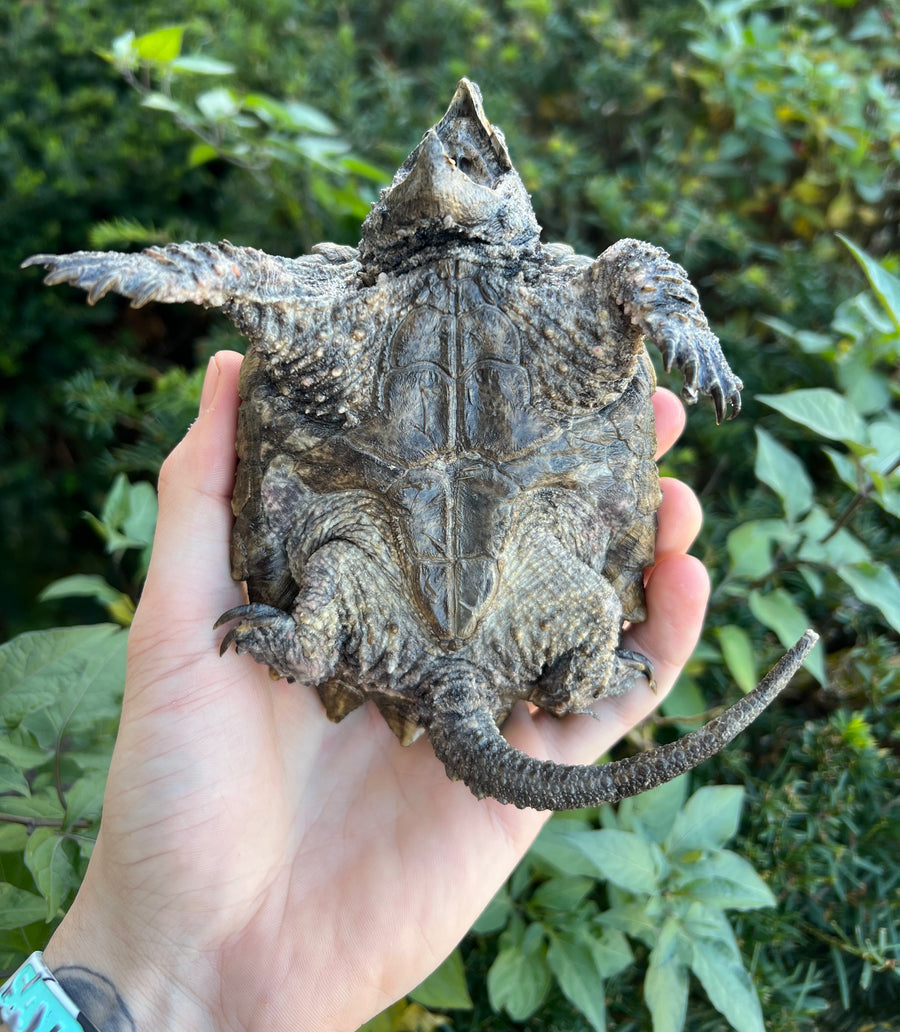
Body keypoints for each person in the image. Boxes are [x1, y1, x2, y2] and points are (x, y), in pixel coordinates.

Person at [37, 351, 708, 1032]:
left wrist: (158, 968)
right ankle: (572, 675)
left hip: (397, 583)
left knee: (357, 579)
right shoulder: (559, 337)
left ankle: (313, 645)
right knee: (592, 609)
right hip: (450, 580)